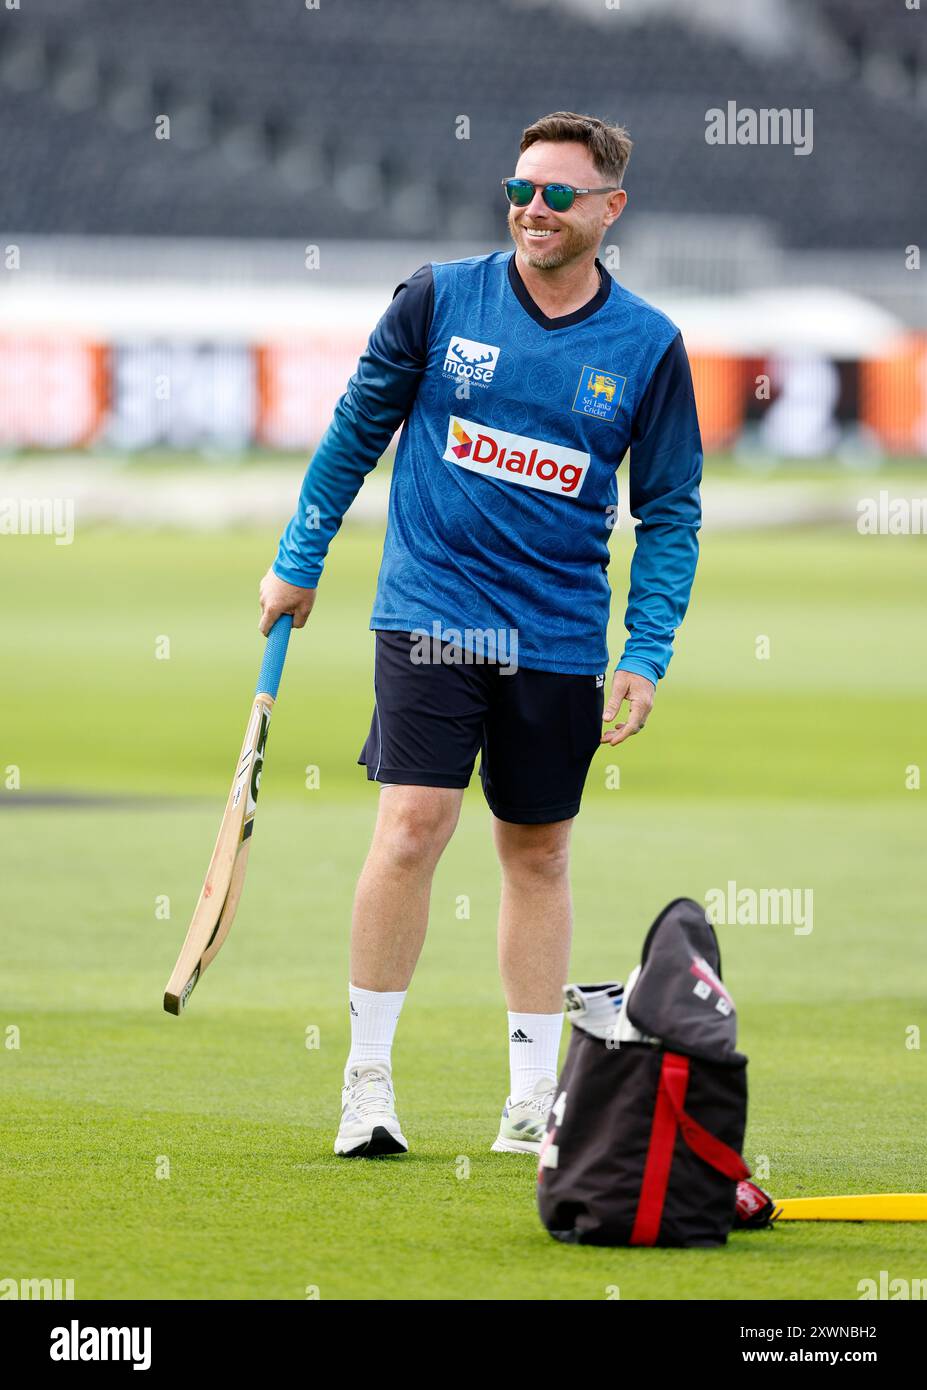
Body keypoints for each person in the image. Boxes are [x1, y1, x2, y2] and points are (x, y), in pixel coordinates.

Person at [259, 111, 702, 1158]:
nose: (531, 209)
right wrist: (299, 555)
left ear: (608, 209)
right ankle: (367, 1082)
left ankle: (531, 1098)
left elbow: (671, 509)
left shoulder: (648, 345)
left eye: (556, 194)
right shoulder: (438, 297)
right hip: (430, 608)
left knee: (538, 852)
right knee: (412, 823)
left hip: (555, 632)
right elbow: (355, 427)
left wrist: (645, 650)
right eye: (520, 189)